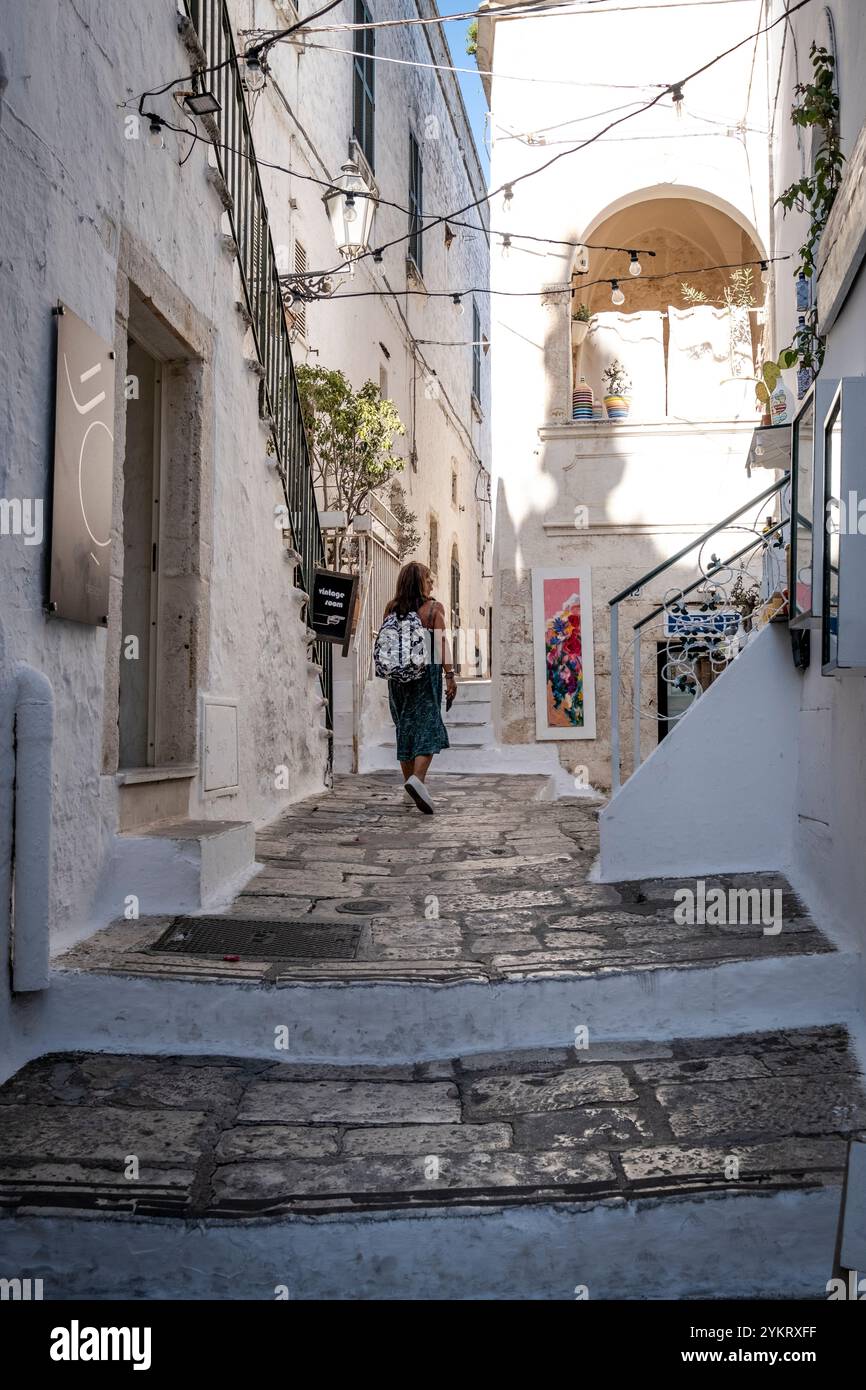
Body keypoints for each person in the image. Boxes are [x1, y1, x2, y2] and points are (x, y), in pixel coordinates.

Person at [383, 561, 457, 814]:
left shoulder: (391, 609)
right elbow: (441, 644)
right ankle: (417, 781)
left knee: (405, 727)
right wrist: (450, 675)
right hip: (425, 676)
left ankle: (409, 787)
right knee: (429, 727)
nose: (432, 583)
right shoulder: (434, 609)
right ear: (419, 582)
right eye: (428, 579)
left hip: (398, 679)